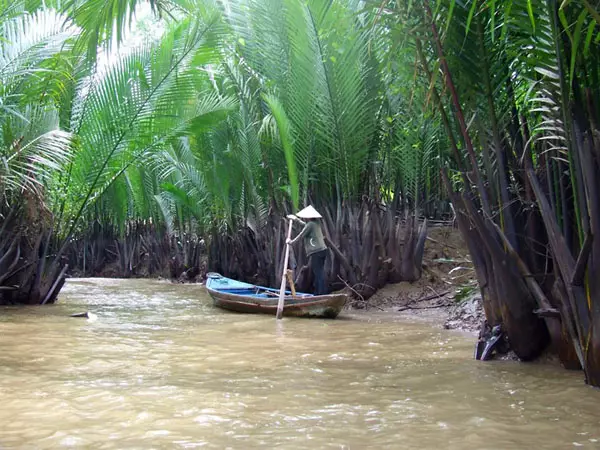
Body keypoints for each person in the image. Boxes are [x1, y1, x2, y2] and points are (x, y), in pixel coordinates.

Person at [286, 205, 328, 295]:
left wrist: (291, 242)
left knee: (317, 273)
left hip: (317, 252)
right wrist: (296, 220)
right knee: (319, 272)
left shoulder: (311, 224)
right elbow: (305, 226)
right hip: (322, 250)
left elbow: (301, 235)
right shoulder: (315, 223)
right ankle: (321, 292)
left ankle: (320, 293)